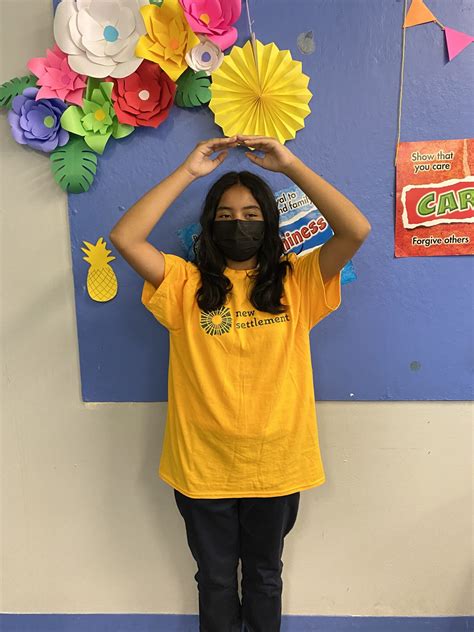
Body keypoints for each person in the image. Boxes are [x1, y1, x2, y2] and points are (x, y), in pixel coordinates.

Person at [109, 135, 371, 632]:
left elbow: (355, 229)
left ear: (268, 222)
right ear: (210, 226)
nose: (238, 223)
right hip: (202, 466)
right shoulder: (184, 285)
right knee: (214, 580)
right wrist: (189, 172)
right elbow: (125, 237)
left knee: (265, 578)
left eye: (251, 214)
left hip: (277, 465)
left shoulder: (297, 282)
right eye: (225, 215)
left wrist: (289, 165)